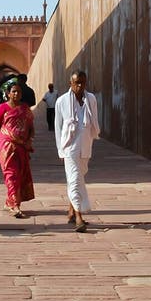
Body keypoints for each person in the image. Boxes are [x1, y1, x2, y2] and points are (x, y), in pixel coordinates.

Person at [54, 70, 100, 232]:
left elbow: (93, 120)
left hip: (86, 145)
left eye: (82, 83)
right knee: (74, 179)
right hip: (69, 147)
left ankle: (71, 211)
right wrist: (61, 150)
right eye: (76, 83)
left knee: (79, 176)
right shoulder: (62, 101)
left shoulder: (91, 99)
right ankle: (79, 217)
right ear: (70, 84)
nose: (80, 86)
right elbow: (58, 127)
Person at [0, 79, 35, 218]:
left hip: (22, 146)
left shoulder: (25, 108)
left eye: (19, 91)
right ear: (8, 93)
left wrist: (29, 140)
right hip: (6, 145)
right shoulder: (3, 108)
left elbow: (31, 128)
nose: (16, 94)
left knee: (19, 174)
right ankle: (15, 205)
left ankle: (9, 201)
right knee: (11, 174)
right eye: (14, 91)